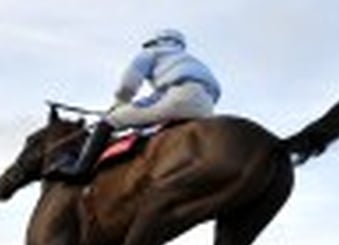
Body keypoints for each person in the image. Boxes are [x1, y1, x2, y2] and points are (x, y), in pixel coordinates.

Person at [45, 28, 222, 182]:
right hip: (207, 108)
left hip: (178, 99)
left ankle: (79, 170)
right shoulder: (192, 61)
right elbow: (214, 91)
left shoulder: (152, 52)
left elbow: (128, 85)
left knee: (108, 122)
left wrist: (120, 104)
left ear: (154, 42)